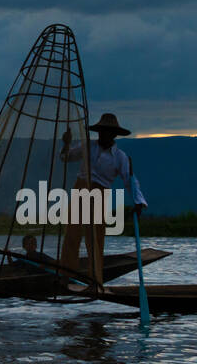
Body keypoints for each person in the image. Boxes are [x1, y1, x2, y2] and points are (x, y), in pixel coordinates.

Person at [58, 113, 148, 282]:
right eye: (101, 131)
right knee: (72, 234)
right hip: (80, 190)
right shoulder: (87, 147)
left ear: (114, 134)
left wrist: (138, 202)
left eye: (107, 132)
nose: (103, 135)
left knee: (95, 238)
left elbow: (130, 180)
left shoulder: (120, 157)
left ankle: (94, 278)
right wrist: (66, 143)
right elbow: (65, 157)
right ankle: (67, 275)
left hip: (99, 195)